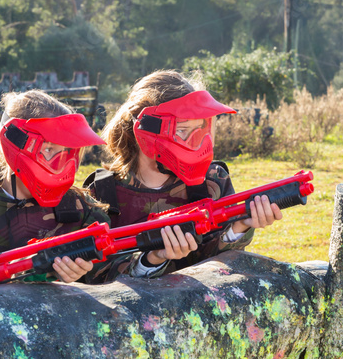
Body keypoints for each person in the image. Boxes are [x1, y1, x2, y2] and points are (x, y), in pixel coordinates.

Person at [85, 70, 282, 278]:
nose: (197, 141)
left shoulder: (212, 181)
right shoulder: (104, 194)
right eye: (182, 130)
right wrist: (150, 260)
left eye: (200, 129)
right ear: (145, 131)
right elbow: (94, 278)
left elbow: (219, 268)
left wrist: (239, 227)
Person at [0, 90, 109, 283]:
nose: (60, 164)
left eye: (67, 152)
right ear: (14, 144)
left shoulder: (83, 209)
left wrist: (82, 275)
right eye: (48, 149)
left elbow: (113, 277)